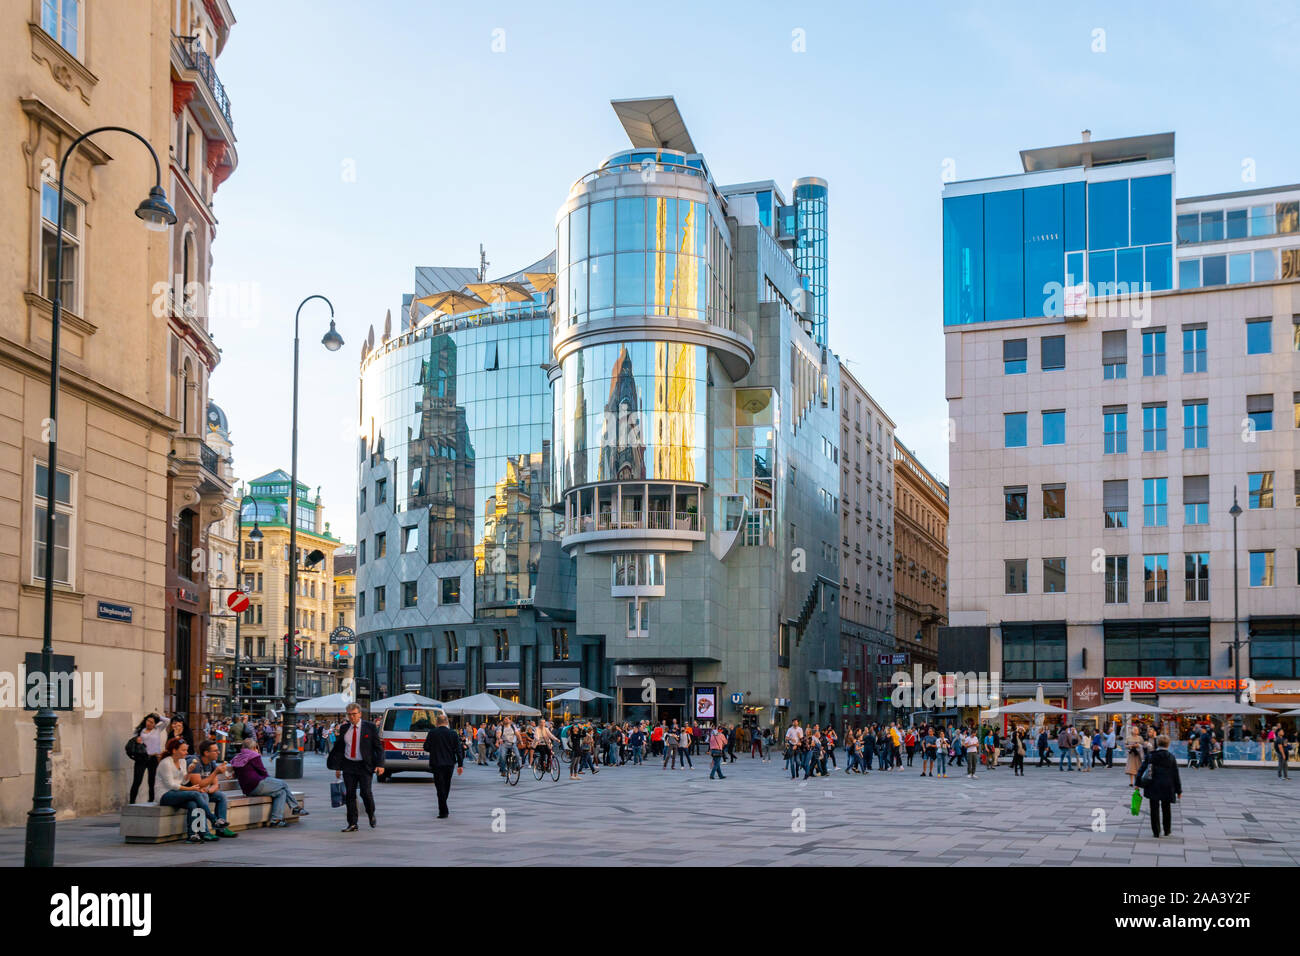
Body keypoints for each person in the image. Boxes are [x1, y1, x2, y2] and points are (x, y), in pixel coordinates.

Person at [328, 702, 384, 832]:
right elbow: (340, 749)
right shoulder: (344, 728)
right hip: (349, 765)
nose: (352, 717)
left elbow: (378, 748)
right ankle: (352, 823)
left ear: (360, 714)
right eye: (349, 715)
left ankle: (371, 814)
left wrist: (380, 765)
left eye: (354, 714)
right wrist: (338, 767)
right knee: (350, 795)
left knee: (365, 793)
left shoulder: (369, 727)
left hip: (364, 765)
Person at [230, 736, 307, 826]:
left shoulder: (237, 757)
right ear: (254, 747)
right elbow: (263, 771)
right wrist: (271, 781)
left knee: (281, 793)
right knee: (283, 784)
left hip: (247, 789)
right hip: (257, 784)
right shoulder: (253, 756)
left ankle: (276, 819)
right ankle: (295, 807)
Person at [157, 738, 223, 843]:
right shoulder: (166, 763)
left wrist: (188, 772)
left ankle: (192, 835)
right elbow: (171, 785)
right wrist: (190, 789)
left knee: (192, 804)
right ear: (174, 750)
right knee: (195, 794)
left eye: (186, 750)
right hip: (164, 795)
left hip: (177, 793)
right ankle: (213, 819)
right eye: (183, 750)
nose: (186, 753)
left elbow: (183, 781)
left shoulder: (182, 761)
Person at [187, 740, 237, 837]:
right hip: (190, 792)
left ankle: (221, 828)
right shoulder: (195, 762)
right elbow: (198, 784)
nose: (218, 753)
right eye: (215, 751)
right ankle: (204, 832)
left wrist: (209, 790)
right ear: (206, 753)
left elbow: (216, 785)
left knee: (221, 796)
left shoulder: (211, 763)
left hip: (203, 791)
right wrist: (215, 773)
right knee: (204, 796)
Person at [1135, 734, 1182, 838]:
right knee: (1166, 808)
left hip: (1153, 785)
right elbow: (1175, 774)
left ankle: (1156, 831)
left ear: (1158, 743)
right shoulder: (1171, 757)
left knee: (1154, 808)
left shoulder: (1151, 755)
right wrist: (1179, 790)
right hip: (1167, 785)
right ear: (1168, 744)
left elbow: (1142, 769)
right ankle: (1167, 830)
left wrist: (1137, 783)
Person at [423, 712, 464, 818]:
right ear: (447, 723)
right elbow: (458, 750)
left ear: (437, 722)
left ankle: (443, 810)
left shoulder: (432, 733)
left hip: (436, 763)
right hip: (449, 763)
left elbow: (426, 747)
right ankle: (444, 806)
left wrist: (434, 748)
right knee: (446, 785)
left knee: (439, 786)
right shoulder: (453, 733)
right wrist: (460, 764)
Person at [129, 712, 167, 804]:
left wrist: (158, 716)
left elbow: (167, 721)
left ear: (155, 724)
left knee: (152, 782)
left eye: (152, 722)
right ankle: (132, 802)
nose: (149, 723)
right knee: (137, 781)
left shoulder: (158, 729)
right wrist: (137, 741)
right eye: (148, 721)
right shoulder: (139, 731)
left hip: (153, 758)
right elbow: (133, 742)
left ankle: (151, 801)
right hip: (141, 758)